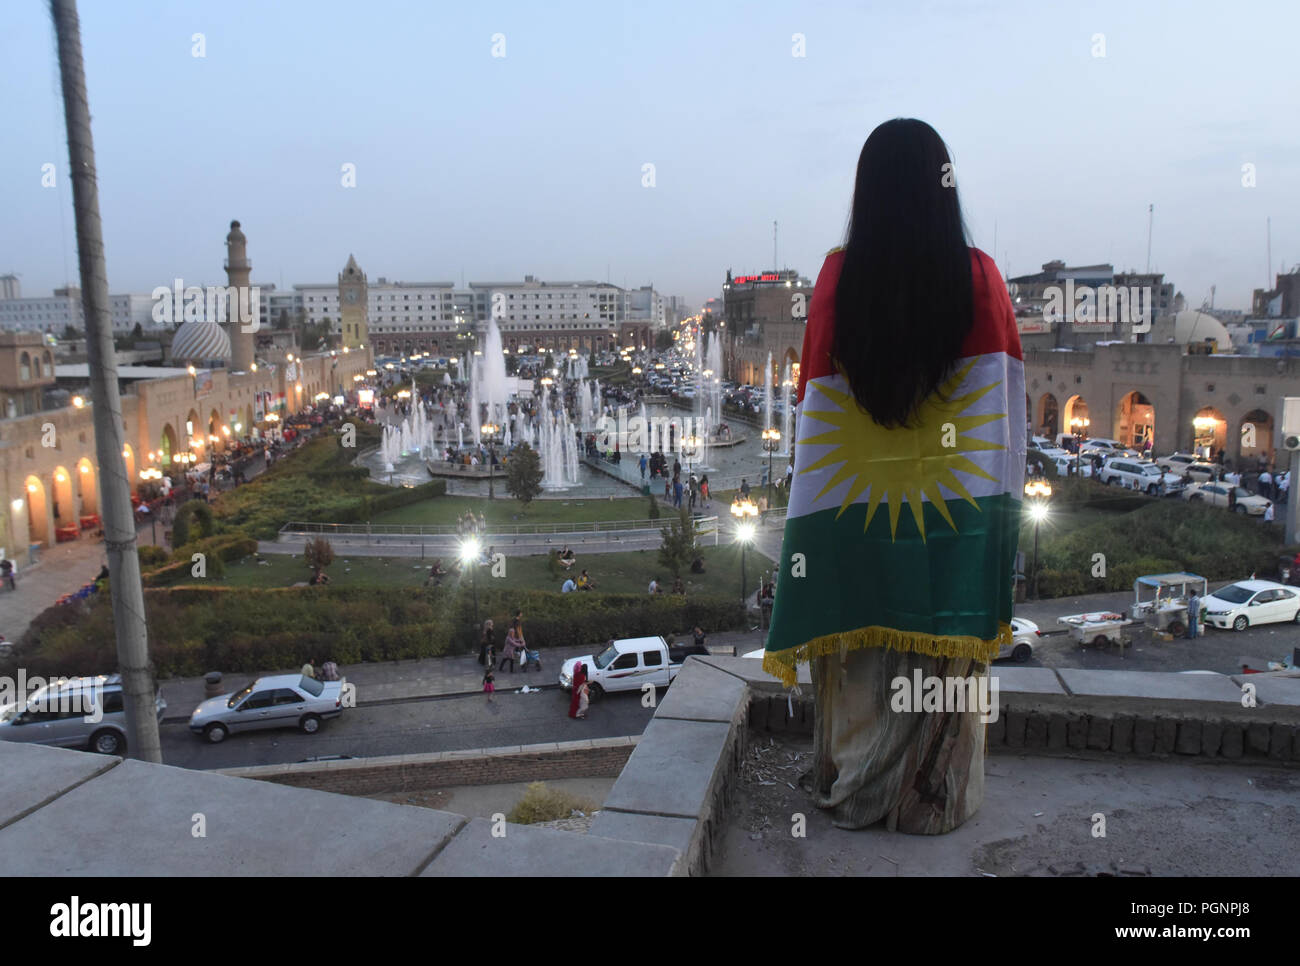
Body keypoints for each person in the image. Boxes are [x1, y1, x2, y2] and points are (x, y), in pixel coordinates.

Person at [765, 119, 1022, 835]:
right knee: (937, 643)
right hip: (950, 525)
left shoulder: (837, 280)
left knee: (860, 654)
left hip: (850, 519)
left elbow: (814, 408)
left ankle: (852, 783)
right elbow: (1004, 415)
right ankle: (932, 797)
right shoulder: (982, 280)